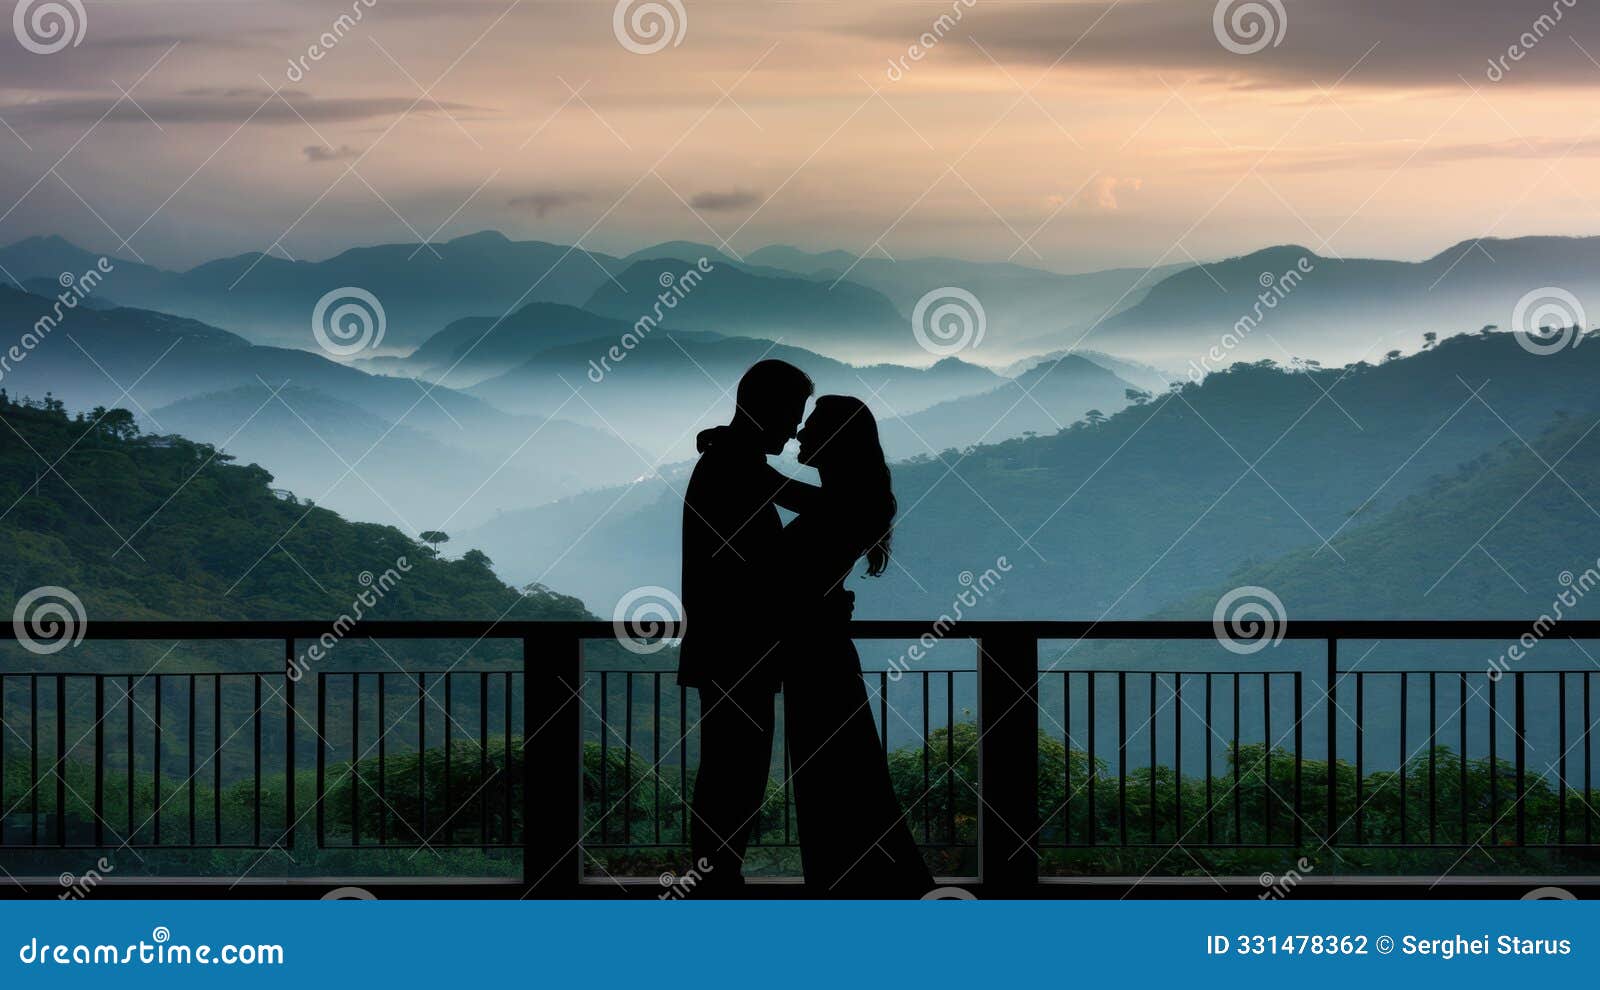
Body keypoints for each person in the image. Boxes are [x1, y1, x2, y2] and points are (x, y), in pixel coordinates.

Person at [779, 394, 934, 896]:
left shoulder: (843, 500)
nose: (800, 433)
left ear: (836, 439)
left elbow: (772, 489)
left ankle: (852, 885)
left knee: (831, 772)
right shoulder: (857, 498)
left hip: (815, 654)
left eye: (812, 426)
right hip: (820, 650)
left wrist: (730, 451)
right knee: (845, 771)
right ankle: (867, 884)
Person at [678, 359, 820, 890]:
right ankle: (716, 881)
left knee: (730, 768)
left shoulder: (729, 457)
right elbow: (809, 501)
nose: (795, 429)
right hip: (737, 649)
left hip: (726, 647)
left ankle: (715, 877)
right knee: (736, 771)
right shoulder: (736, 463)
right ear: (767, 409)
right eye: (792, 414)